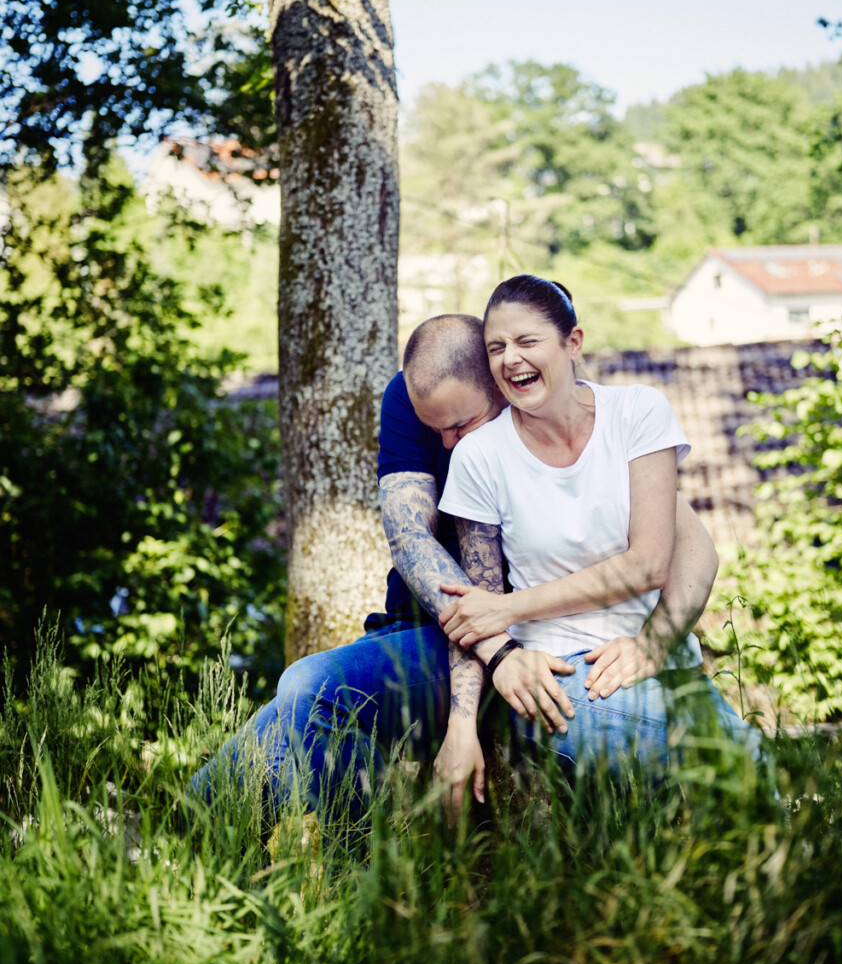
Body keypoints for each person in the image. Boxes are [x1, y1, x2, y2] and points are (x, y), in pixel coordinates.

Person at [187, 312, 721, 815]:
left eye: (462, 425)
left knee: (308, 691)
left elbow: (688, 547)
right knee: (278, 720)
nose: (446, 443)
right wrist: (497, 651)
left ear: (504, 385)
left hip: (533, 642)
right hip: (435, 633)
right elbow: (409, 538)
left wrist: (654, 642)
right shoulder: (419, 391)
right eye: (436, 429)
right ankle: (194, 827)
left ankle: (359, 868)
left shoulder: (565, 417)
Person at [435, 275, 761, 791]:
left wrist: (652, 645)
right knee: (726, 761)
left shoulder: (636, 413)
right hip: (558, 671)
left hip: (655, 664)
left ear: (573, 343)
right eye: (496, 348)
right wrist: (463, 721)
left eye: (526, 341)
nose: (510, 359)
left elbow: (654, 562)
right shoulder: (480, 455)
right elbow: (476, 608)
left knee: (736, 765)